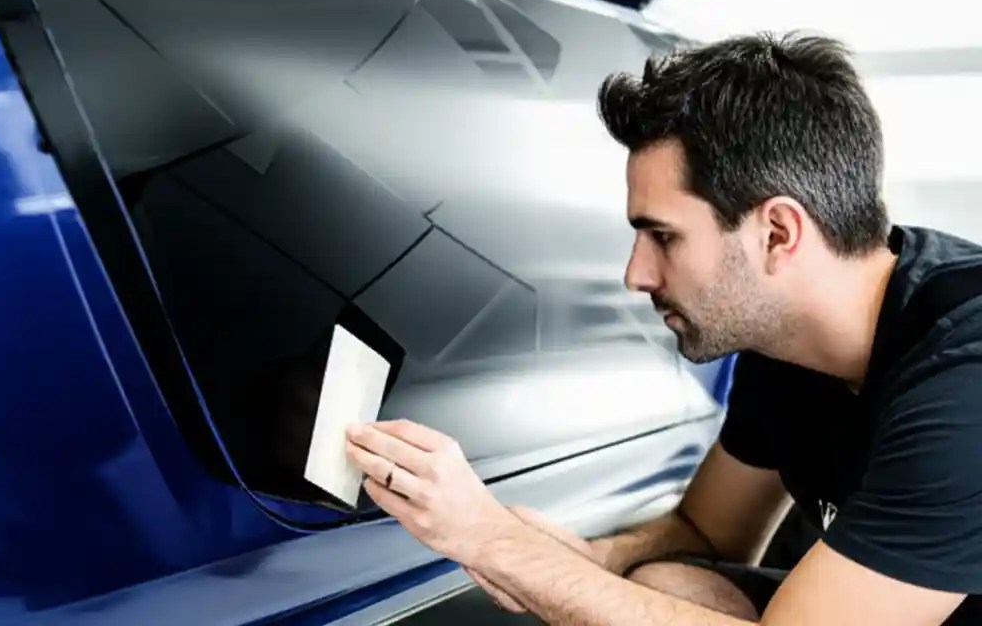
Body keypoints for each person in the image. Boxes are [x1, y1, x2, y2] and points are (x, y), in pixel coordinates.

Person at [344, 31, 982, 624]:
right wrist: (585, 558)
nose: (635, 274)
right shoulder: (786, 338)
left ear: (778, 233)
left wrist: (491, 538)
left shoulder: (964, 383)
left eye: (663, 237)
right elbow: (706, 534)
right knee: (663, 582)